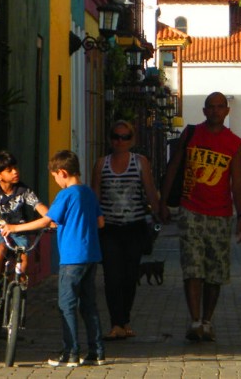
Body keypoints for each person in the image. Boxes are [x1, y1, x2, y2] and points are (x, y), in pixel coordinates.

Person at [1, 150, 106, 367]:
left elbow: (45, 220)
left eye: (55, 177)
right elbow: (100, 223)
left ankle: (71, 352)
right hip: (91, 255)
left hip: (72, 256)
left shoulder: (66, 195)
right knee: (89, 305)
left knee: (66, 304)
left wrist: (14, 227)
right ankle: (96, 352)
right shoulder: (88, 193)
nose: (56, 181)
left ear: (63, 172)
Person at [159, 92, 241, 343]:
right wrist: (163, 202)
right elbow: (174, 166)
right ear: (204, 110)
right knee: (193, 268)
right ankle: (195, 321)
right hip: (191, 210)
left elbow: (237, 183)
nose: (217, 111)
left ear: (227, 111)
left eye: (221, 107)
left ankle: (207, 321)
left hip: (220, 215)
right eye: (212, 107)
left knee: (215, 272)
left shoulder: (234, 143)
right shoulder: (191, 134)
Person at [91, 120, 162, 341]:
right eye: (115, 137)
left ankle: (125, 321)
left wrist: (159, 213)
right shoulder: (101, 164)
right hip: (109, 228)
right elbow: (95, 196)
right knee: (112, 277)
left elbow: (150, 191)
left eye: (125, 137)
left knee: (130, 277)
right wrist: (92, 222)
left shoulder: (140, 162)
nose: (120, 141)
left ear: (132, 139)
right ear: (110, 139)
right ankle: (116, 324)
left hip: (135, 227)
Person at [0, 151, 49, 307]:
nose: (15, 172)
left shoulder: (24, 190)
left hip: (18, 230)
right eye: (9, 170)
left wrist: (51, 219)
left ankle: (18, 281)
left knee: (22, 256)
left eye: (15, 168)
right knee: (0, 248)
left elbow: (39, 206)